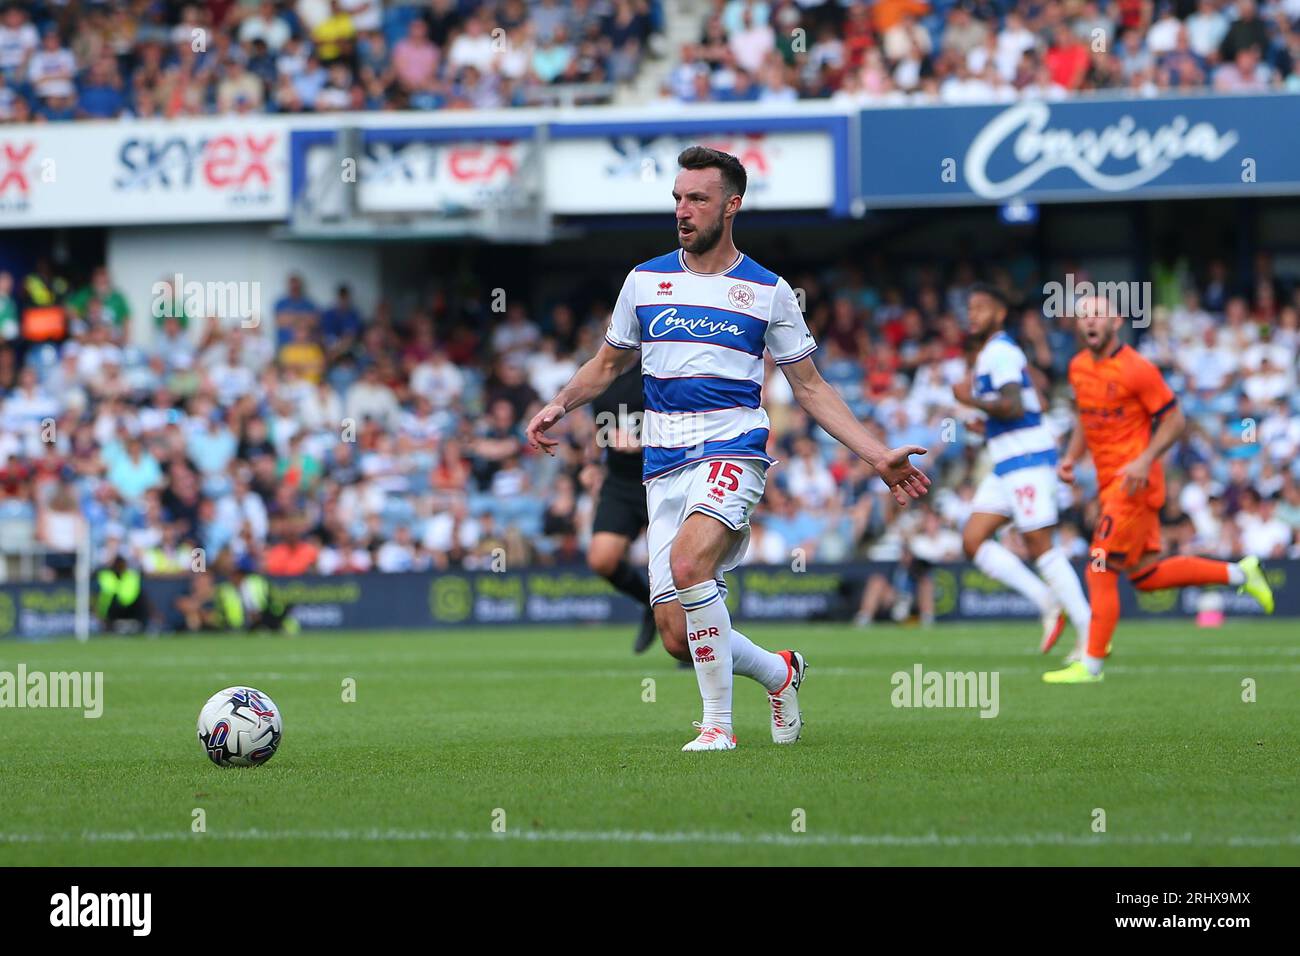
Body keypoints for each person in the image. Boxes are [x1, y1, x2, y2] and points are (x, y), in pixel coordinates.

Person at [526, 146, 930, 751]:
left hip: (732, 448)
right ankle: (779, 672)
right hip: (662, 462)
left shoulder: (769, 291)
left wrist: (876, 455)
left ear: (731, 206)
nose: (683, 211)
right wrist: (561, 403)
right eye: (677, 199)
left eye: (697, 199)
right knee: (674, 633)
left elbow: (811, 388)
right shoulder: (645, 280)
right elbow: (608, 362)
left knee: (691, 567)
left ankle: (718, 725)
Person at [1044, 296, 1275, 683]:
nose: (1090, 322)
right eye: (1083, 316)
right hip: (1108, 485)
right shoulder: (1078, 367)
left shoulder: (1137, 369)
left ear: (1116, 321)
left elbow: (1175, 419)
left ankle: (1093, 664)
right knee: (1145, 576)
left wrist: (1145, 457)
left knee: (1099, 565)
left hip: (1135, 483)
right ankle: (1240, 574)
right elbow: (1086, 415)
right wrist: (1070, 456)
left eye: (1098, 315)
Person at [953, 284, 1092, 656]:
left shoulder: (999, 351)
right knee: (973, 539)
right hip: (1008, 463)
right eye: (970, 308)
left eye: (981, 307)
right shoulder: (993, 354)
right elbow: (1032, 405)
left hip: (1028, 462)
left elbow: (1013, 405)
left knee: (1041, 547)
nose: (973, 315)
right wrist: (988, 424)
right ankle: (1047, 601)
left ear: (999, 313)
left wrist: (971, 399)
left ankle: (1089, 631)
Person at [587, 365, 659, 654]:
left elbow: (685, 423)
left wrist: (642, 443)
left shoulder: (656, 372)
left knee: (676, 567)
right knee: (601, 559)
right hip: (620, 483)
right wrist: (590, 466)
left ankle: (689, 646)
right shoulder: (599, 381)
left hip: (660, 477)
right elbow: (599, 432)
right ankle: (649, 604)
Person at [95, 555, 151, 633]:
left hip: (130, 606)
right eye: (118, 565)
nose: (120, 567)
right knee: (112, 599)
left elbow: (132, 593)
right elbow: (107, 595)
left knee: (141, 597)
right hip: (112, 608)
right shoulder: (106, 576)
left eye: (122, 565)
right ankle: (108, 625)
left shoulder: (131, 576)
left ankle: (142, 626)